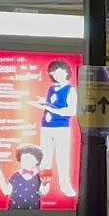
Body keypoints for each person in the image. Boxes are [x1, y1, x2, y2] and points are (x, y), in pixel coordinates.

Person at [32, 60, 78, 198]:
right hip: (46, 126)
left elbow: (70, 111)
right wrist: (44, 103)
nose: (56, 75)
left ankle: (65, 185)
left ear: (65, 72)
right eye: (53, 73)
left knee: (62, 158)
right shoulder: (51, 89)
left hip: (61, 127)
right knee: (45, 158)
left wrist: (48, 107)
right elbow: (51, 105)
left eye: (58, 72)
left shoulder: (70, 90)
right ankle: (44, 184)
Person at [0, 145, 50, 210]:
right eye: (23, 159)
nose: (26, 162)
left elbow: (42, 193)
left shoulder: (39, 177)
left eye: (29, 159)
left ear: (37, 160)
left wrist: (44, 184)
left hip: (34, 214)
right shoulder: (15, 176)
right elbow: (7, 191)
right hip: (13, 212)